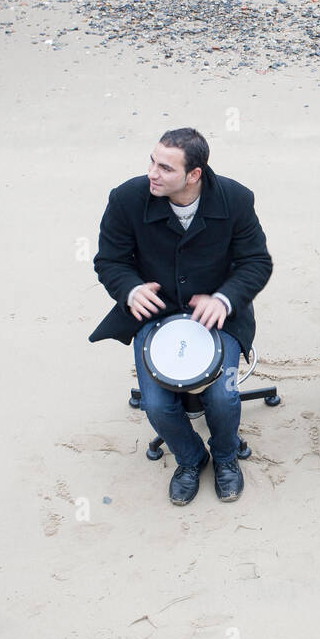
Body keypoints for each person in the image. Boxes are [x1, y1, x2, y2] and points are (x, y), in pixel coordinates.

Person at [90, 128, 273, 505]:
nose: (152, 174)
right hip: (156, 314)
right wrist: (129, 289)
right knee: (156, 404)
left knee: (222, 396)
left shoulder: (236, 200)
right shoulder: (126, 199)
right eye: (152, 162)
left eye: (165, 168)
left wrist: (225, 298)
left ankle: (224, 457)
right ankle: (191, 459)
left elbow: (256, 262)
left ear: (194, 175)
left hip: (217, 315)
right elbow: (110, 261)